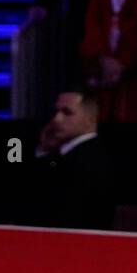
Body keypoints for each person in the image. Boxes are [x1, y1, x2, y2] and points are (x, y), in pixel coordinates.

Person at [24, 88, 118, 229]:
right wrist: (44, 150)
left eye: (67, 112)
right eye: (56, 111)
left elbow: (38, 200)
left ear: (91, 118)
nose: (56, 119)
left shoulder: (92, 159)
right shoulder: (59, 155)